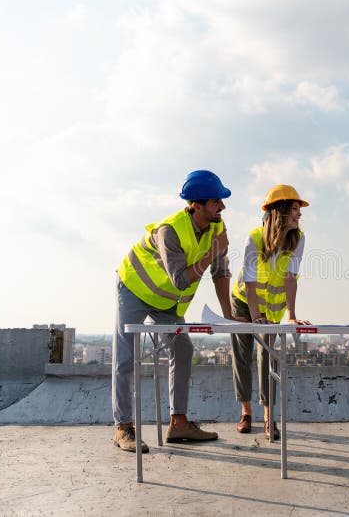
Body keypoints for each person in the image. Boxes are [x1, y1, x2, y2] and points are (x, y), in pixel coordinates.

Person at [112, 170, 234, 453]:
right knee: (126, 357)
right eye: (217, 201)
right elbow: (181, 279)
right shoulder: (170, 230)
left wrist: (228, 313)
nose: (223, 207)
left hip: (165, 302)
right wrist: (212, 253)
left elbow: (220, 271)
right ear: (197, 204)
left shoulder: (216, 227)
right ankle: (123, 428)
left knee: (182, 348)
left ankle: (178, 423)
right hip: (134, 288)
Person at [230, 185, 311, 440]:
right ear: (280, 212)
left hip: (272, 309)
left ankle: (268, 417)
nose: (299, 215)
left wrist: (292, 315)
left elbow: (291, 278)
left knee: (268, 358)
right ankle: (246, 412)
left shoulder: (299, 238)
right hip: (245, 302)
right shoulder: (254, 238)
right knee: (241, 354)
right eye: (295, 210)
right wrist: (255, 316)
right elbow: (251, 283)